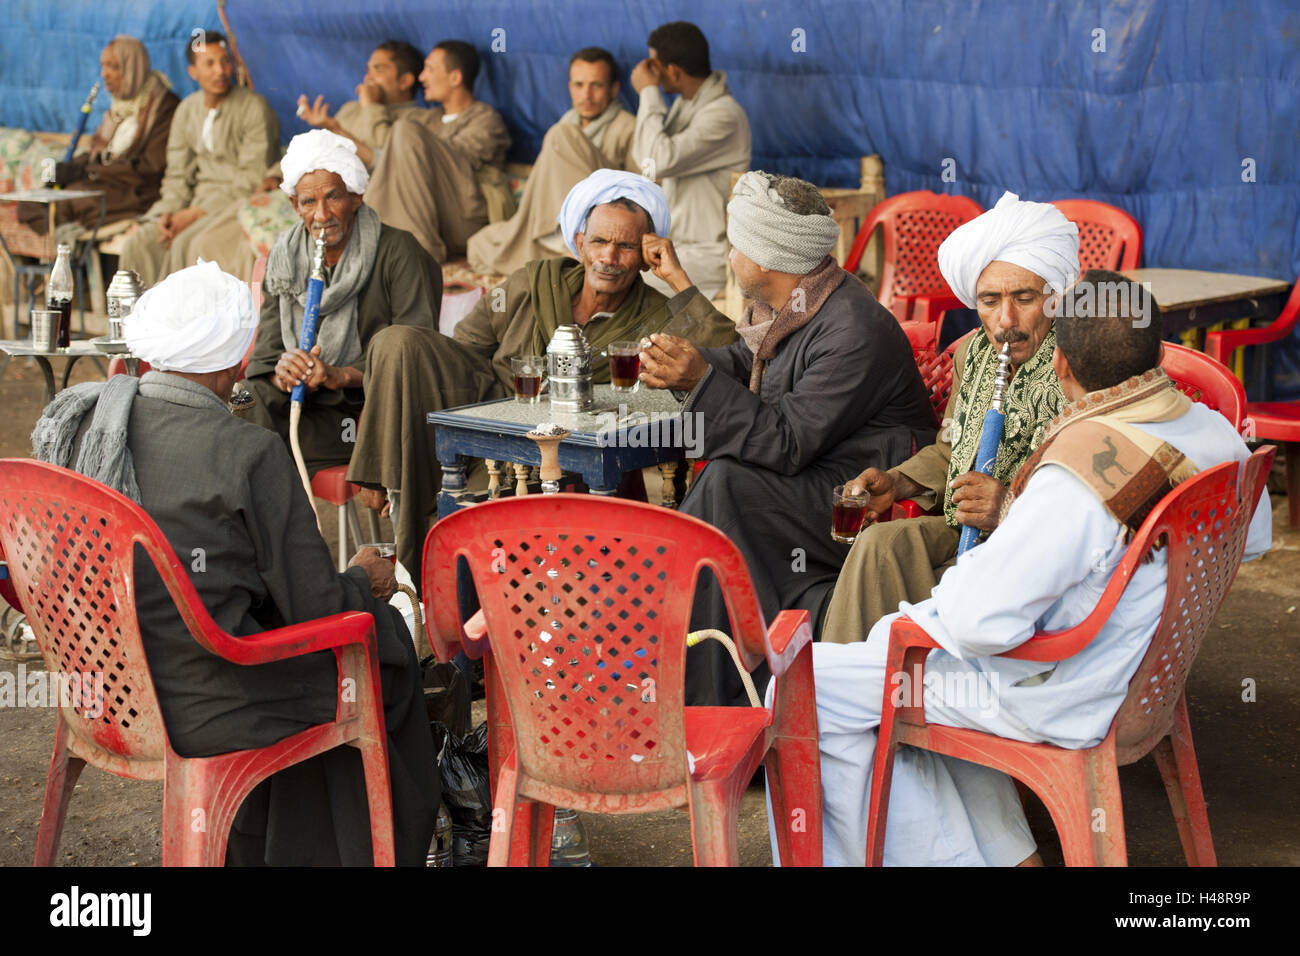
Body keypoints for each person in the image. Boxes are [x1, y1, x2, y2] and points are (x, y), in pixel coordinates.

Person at [780, 269, 1272, 866]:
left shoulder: (1081, 471)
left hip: (1066, 690)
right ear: (1156, 351)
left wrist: (942, 603)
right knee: (894, 684)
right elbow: (1253, 539)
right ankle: (1007, 856)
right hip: (1146, 677)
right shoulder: (1215, 432)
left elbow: (978, 624)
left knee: (804, 683)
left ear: (1060, 362)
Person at [30, 261, 439, 866]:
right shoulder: (247, 450)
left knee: (287, 628)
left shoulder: (84, 419)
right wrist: (367, 581)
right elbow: (317, 606)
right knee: (380, 650)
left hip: (103, 689)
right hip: (206, 703)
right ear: (234, 358)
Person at [346, 168, 738, 585]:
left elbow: (732, 356)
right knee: (397, 342)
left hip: (565, 450)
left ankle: (422, 581)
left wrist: (677, 279)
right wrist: (389, 436)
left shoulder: (659, 314)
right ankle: (393, 491)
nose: (609, 258)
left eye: (626, 247)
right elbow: (461, 352)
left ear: (646, 254)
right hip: (488, 415)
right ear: (580, 242)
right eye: (601, 241)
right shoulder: (533, 282)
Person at [637, 171, 938, 706]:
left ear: (764, 256)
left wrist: (698, 382)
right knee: (723, 488)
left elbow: (787, 442)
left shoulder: (852, 327)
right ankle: (701, 672)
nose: (731, 255)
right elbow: (749, 365)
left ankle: (702, 685)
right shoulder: (793, 305)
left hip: (862, 494)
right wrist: (687, 363)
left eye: (736, 245)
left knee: (729, 485)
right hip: (815, 469)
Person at [821, 191, 1079, 644]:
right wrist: (900, 483)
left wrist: (1008, 510)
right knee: (879, 545)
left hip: (1036, 546)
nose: (1005, 320)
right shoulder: (974, 355)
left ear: (1054, 298)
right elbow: (952, 447)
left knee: (946, 579)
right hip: (964, 526)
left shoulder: (1079, 364)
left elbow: (1091, 499)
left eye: (1024, 298)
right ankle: (841, 686)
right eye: (989, 301)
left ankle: (900, 679)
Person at [241, 129, 442, 476]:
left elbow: (415, 355)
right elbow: (265, 358)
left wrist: (338, 375)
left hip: (363, 414)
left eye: (333, 198)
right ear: (294, 205)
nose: (321, 215)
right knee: (243, 400)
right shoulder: (285, 258)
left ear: (356, 196)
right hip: (296, 407)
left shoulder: (400, 252)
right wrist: (286, 373)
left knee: (255, 456)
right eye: (308, 203)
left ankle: (272, 502)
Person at [190, 40, 427, 281]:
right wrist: (275, 174)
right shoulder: (351, 110)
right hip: (303, 196)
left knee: (245, 251)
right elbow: (314, 148)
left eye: (379, 69)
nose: (368, 77)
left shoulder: (416, 122)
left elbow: (381, 160)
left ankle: (252, 313)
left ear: (405, 80)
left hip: (336, 207)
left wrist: (370, 107)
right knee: (209, 240)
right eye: (368, 69)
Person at [118, 31, 279, 286]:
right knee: (141, 243)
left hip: (233, 205)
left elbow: (251, 179)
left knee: (186, 244)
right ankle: (135, 321)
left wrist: (194, 214)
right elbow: (177, 175)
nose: (220, 71)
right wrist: (169, 214)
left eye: (225, 61)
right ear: (193, 72)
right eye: (210, 64)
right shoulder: (187, 110)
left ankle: (175, 322)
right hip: (193, 205)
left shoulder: (254, 108)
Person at [467, 47, 637, 275]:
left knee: (562, 135)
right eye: (579, 85)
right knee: (479, 244)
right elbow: (540, 190)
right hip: (548, 228)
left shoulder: (627, 127)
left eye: (596, 85)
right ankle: (559, 256)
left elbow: (640, 193)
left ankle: (578, 249)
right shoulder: (566, 122)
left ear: (614, 89)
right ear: (570, 87)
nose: (586, 95)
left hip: (598, 228)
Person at [630, 21, 751, 300]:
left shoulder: (724, 115)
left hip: (709, 254)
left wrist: (648, 93)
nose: (652, 76)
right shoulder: (686, 106)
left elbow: (655, 159)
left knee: (623, 281)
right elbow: (647, 163)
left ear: (673, 71)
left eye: (654, 67)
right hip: (676, 245)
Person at [364, 40, 512, 263]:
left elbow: (455, 165)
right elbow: (387, 148)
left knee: (405, 131)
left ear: (455, 77)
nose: (422, 77)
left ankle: (419, 252)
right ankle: (367, 238)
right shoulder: (425, 119)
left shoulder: (485, 119)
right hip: (428, 216)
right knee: (400, 137)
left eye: (430, 69)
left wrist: (373, 109)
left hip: (466, 221)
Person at [21, 35, 179, 233]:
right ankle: (58, 254)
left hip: (135, 192)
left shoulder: (165, 107)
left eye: (113, 67)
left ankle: (67, 256)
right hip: (104, 184)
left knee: (77, 201)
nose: (104, 75)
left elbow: (150, 169)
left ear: (133, 67)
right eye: (103, 67)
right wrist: (66, 170)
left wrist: (88, 172)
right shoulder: (118, 108)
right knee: (31, 202)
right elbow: (95, 152)